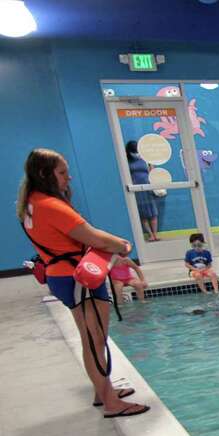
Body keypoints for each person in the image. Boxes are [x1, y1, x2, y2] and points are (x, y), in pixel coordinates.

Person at [17, 148, 148, 418]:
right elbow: (95, 238)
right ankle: (112, 403)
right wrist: (121, 245)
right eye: (62, 173)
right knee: (95, 340)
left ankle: (103, 391)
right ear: (44, 174)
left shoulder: (31, 202)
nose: (69, 178)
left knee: (90, 338)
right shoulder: (51, 206)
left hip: (61, 276)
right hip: (79, 279)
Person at [125, 140, 158, 241]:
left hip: (147, 186)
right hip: (136, 188)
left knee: (153, 211)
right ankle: (150, 234)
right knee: (142, 212)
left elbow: (152, 171)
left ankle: (155, 234)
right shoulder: (127, 160)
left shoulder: (145, 158)